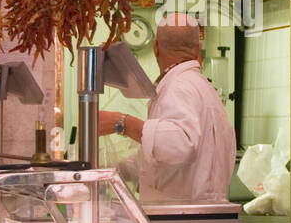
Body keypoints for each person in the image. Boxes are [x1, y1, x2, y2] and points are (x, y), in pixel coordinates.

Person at [98, 14, 236, 203]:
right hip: (200, 215)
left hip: (182, 219)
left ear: (155, 47)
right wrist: (115, 170)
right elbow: (164, 161)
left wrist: (122, 122)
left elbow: (180, 144)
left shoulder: (179, 87)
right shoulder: (201, 88)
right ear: (198, 50)